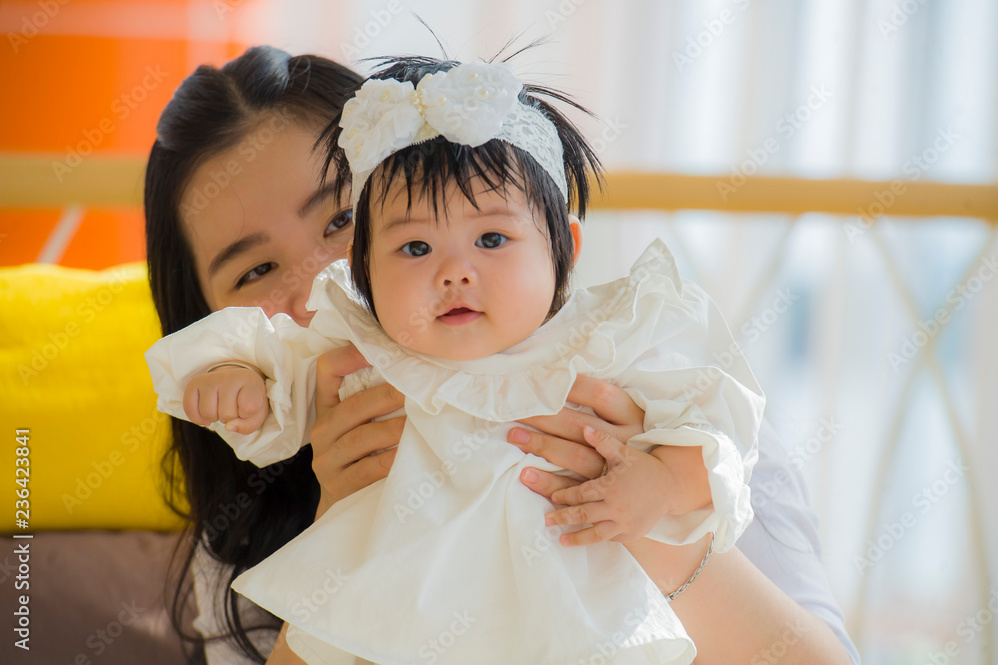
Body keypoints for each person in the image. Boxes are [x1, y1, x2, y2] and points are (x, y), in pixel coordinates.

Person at [144, 46, 859, 665]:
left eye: (342, 220)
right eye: (253, 273)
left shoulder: (641, 375)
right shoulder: (244, 532)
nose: (316, 292)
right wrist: (343, 529)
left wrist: (651, 500)